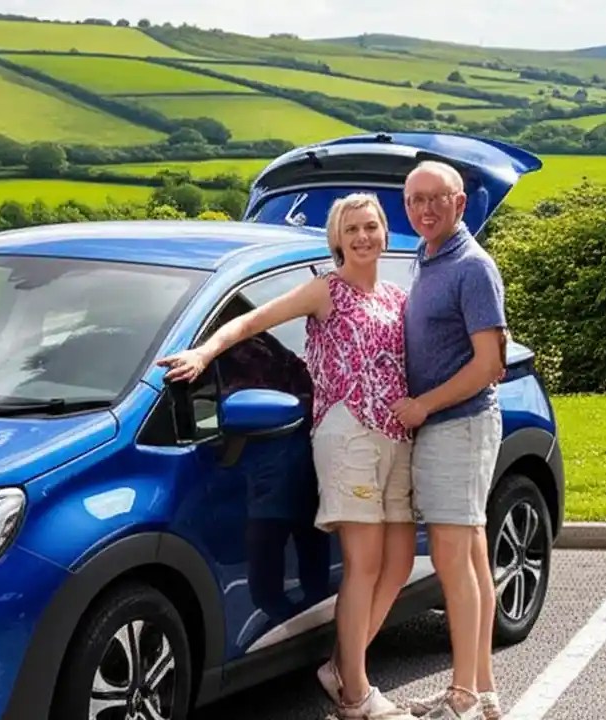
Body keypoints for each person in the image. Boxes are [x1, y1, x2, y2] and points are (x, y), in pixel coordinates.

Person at [157, 192, 415, 719]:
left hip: (397, 436)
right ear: (337, 239)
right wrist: (205, 351)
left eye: (371, 227)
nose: (363, 237)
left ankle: (342, 666)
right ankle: (356, 694)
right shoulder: (326, 291)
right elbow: (252, 323)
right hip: (347, 434)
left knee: (401, 561)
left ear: (385, 232)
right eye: (352, 230)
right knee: (364, 565)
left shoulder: (395, 297)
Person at [389, 160, 508, 720]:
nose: (425, 210)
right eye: (415, 200)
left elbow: (489, 363)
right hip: (447, 427)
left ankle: (460, 694)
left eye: (437, 199)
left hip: (457, 426)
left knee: (451, 560)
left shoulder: (472, 267)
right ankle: (480, 691)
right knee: (473, 559)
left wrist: (422, 405)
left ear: (461, 204)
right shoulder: (425, 257)